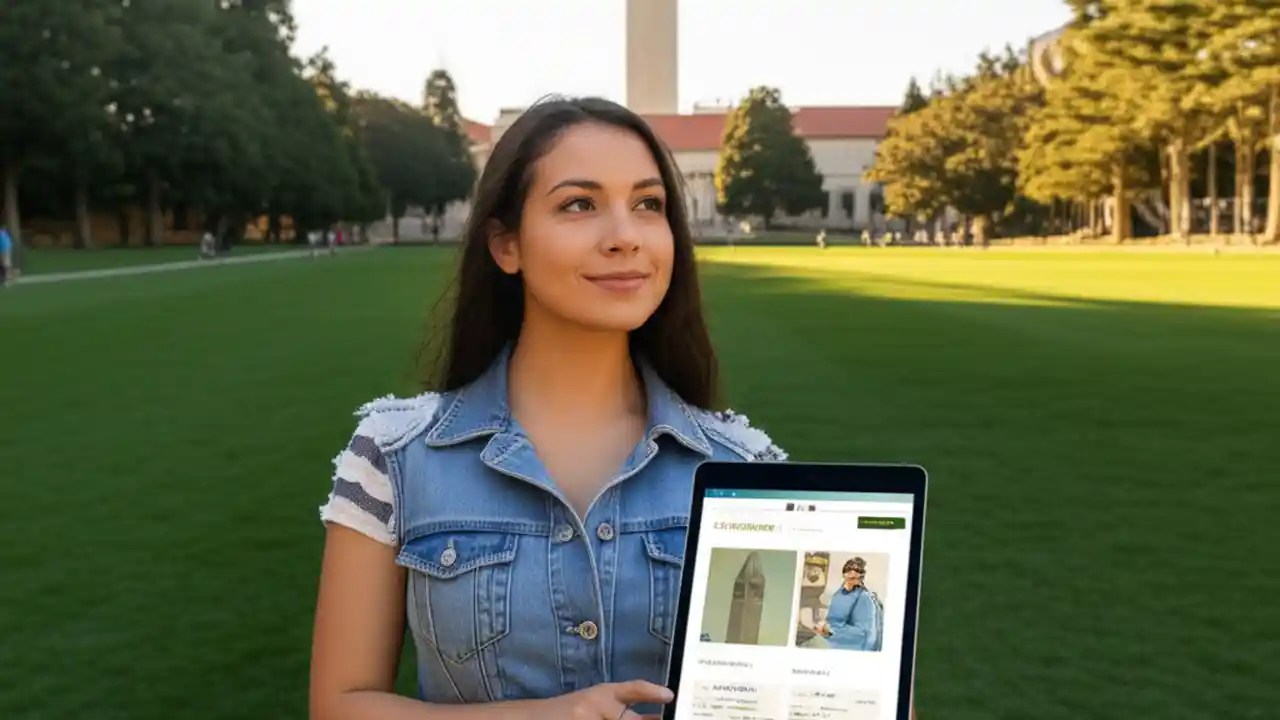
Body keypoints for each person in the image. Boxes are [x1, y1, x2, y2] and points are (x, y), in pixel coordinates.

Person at [309, 97, 790, 720]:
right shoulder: (394, 456)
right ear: (506, 244)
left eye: (648, 204)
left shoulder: (746, 468)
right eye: (579, 204)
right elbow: (339, 707)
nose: (625, 237)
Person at [817, 557, 884, 652]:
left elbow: (865, 634)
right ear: (844, 574)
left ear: (861, 577)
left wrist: (832, 632)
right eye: (849, 570)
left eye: (856, 572)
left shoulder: (864, 598)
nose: (852, 573)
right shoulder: (837, 596)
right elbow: (831, 621)